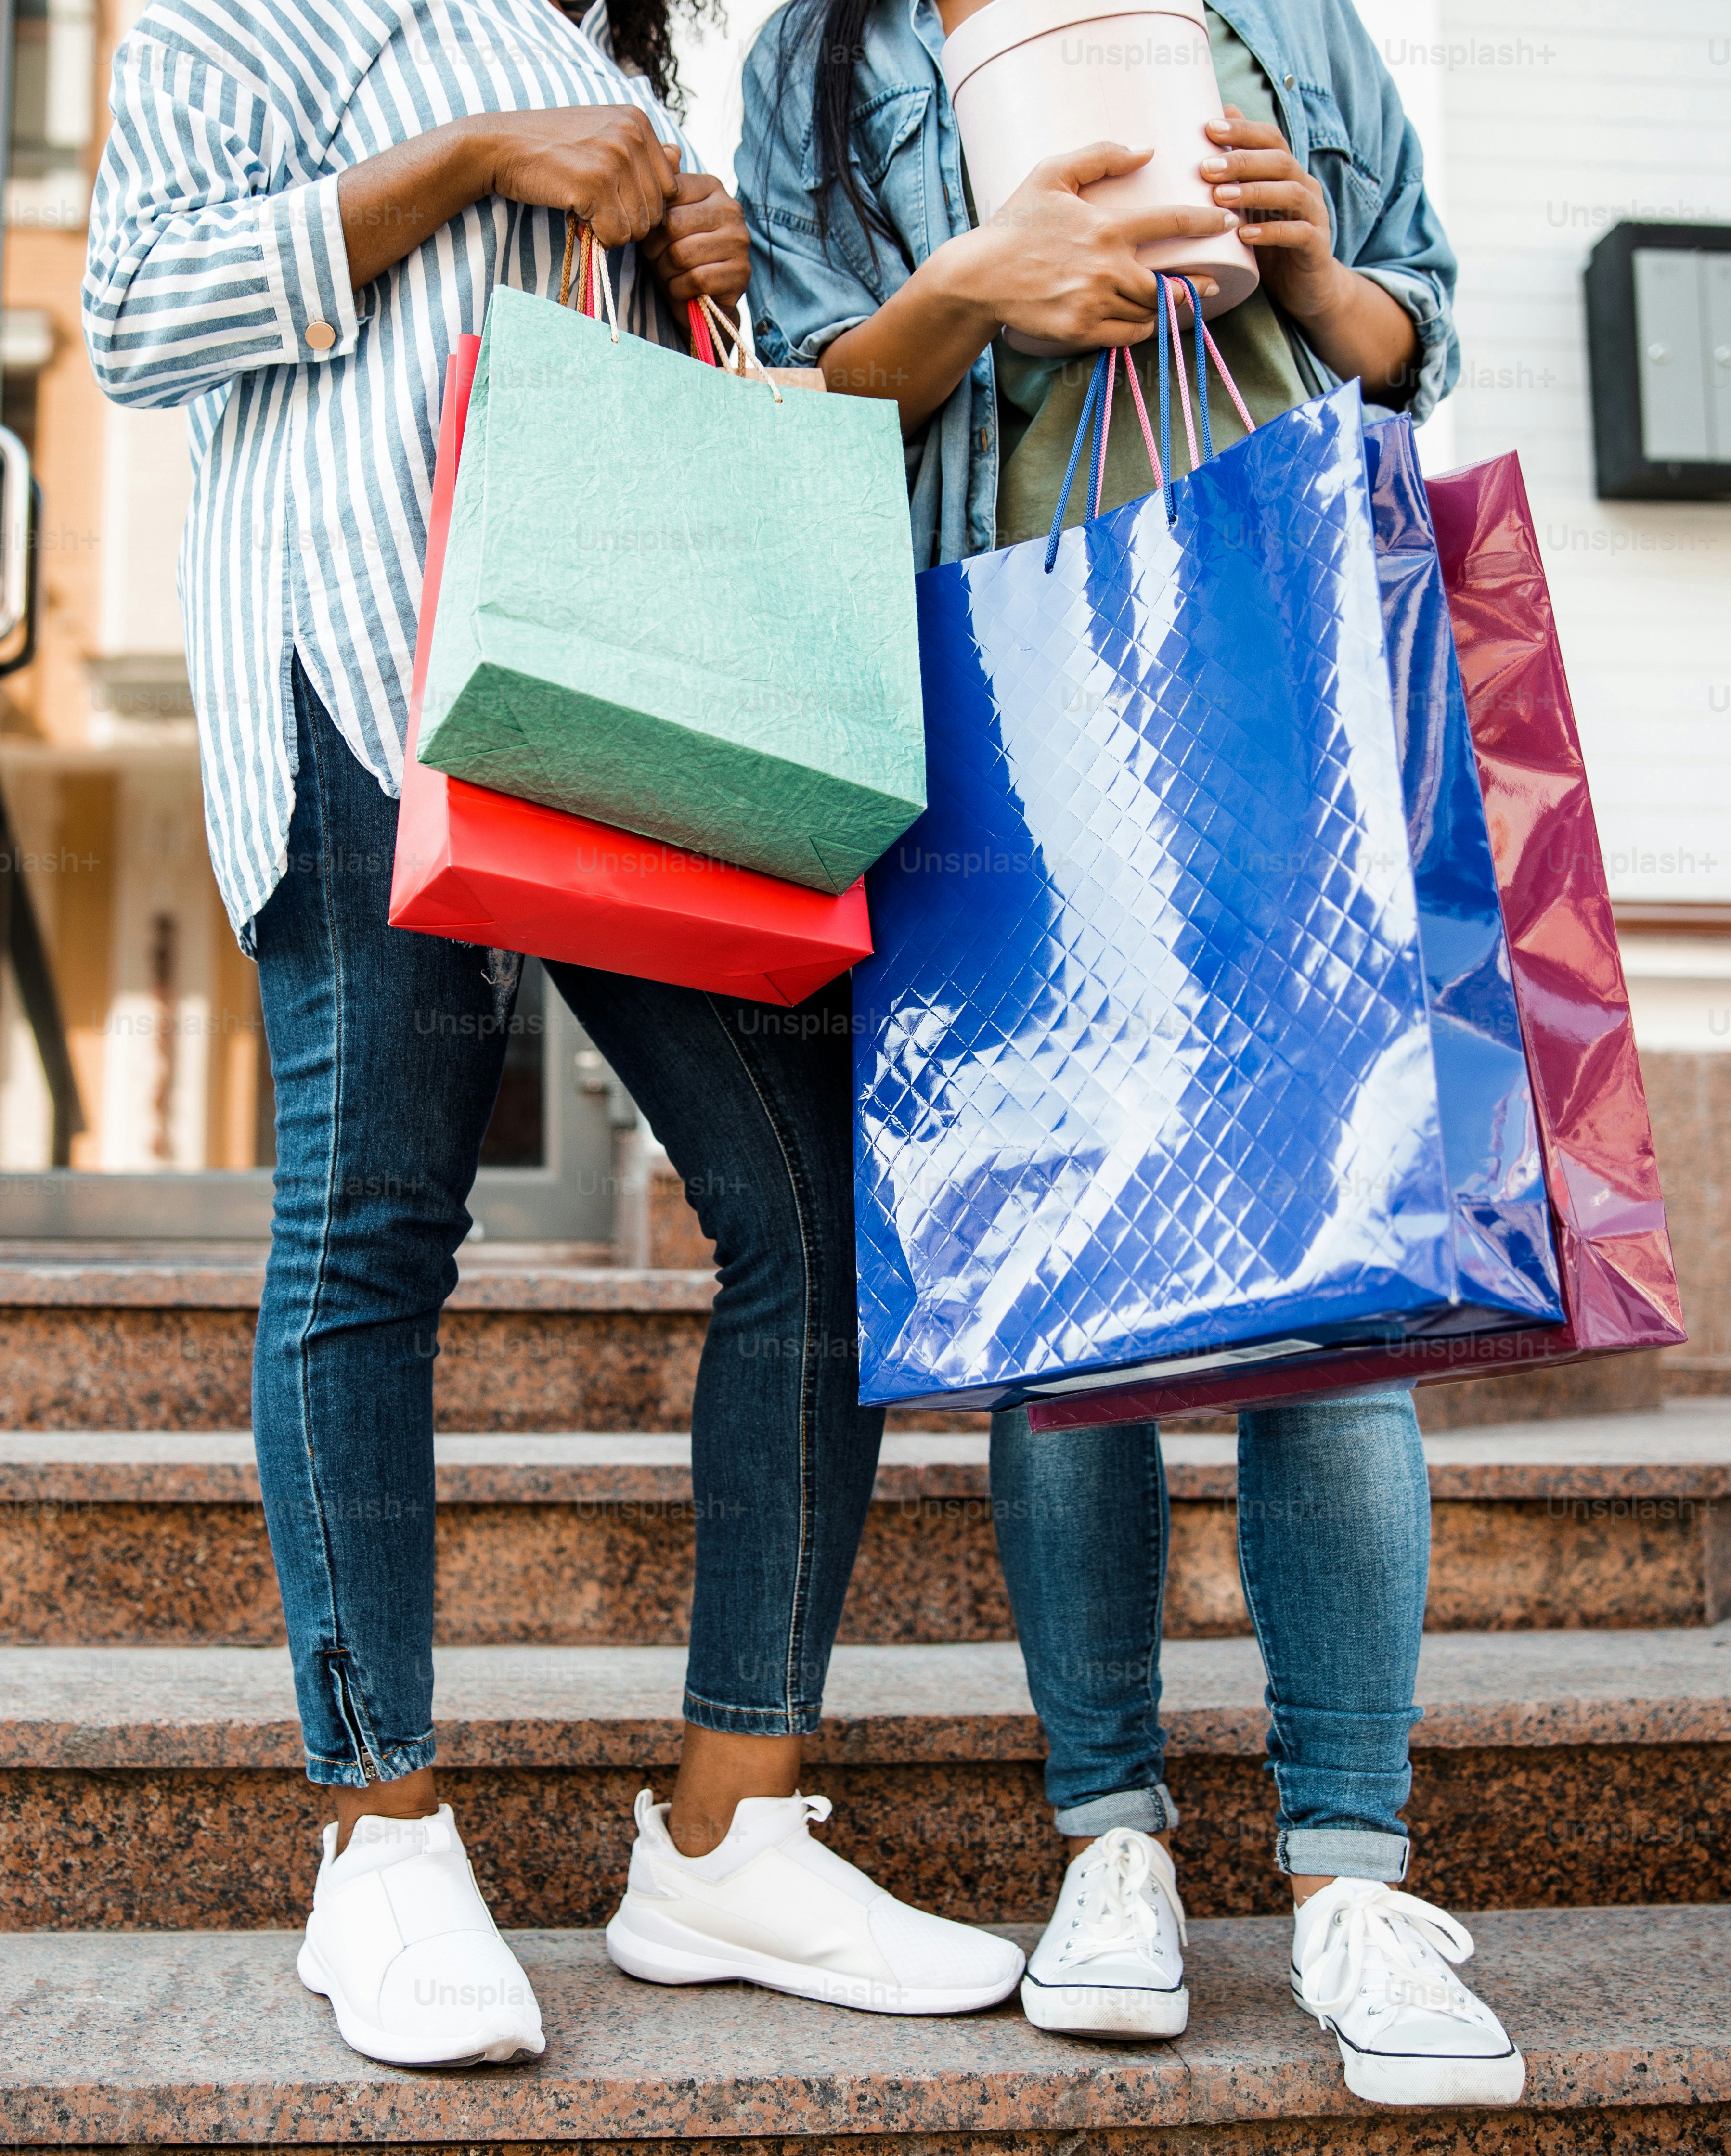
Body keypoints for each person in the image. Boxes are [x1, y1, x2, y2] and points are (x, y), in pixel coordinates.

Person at [84, 0, 1025, 2073]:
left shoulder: (614, 23)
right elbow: (135, 309)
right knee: (371, 1229)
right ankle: (381, 1838)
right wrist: (472, 161)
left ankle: (729, 1828)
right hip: (359, 648)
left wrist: (696, 264)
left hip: (619, 653)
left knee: (819, 1220)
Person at [733, 0, 1527, 2111]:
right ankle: (1114, 1849)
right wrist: (966, 292)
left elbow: (1407, 330)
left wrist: (1312, 269)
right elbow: (800, 397)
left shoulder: (1282, 16)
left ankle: (1354, 1871)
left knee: (1335, 1259)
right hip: (1004, 676)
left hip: (1287, 659)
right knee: (1060, 1259)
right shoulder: (826, 54)